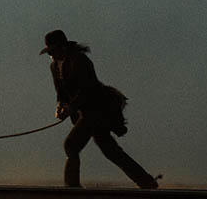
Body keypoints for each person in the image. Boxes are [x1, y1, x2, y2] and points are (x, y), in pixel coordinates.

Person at [41, 29, 159, 189]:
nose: (52, 55)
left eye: (53, 50)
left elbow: (88, 89)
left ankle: (72, 188)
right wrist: (60, 106)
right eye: (50, 52)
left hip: (96, 110)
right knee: (111, 150)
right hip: (83, 112)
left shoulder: (80, 60)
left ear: (62, 47)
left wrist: (71, 107)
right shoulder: (54, 66)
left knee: (71, 145)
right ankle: (147, 182)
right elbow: (60, 92)